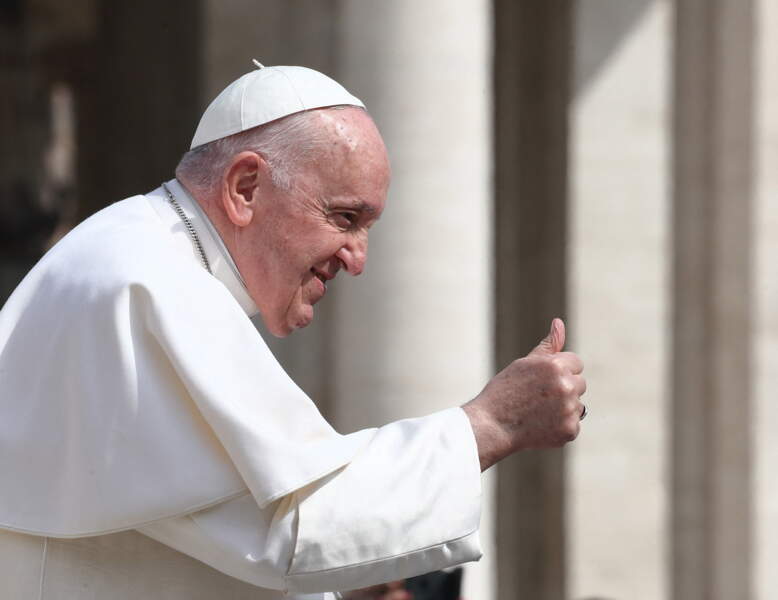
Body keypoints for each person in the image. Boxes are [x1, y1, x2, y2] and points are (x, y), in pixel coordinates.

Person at [0, 63, 586, 600]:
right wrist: (491, 424)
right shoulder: (146, 283)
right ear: (245, 188)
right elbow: (296, 524)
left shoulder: (139, 256)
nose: (357, 258)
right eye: (345, 217)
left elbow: (235, 538)